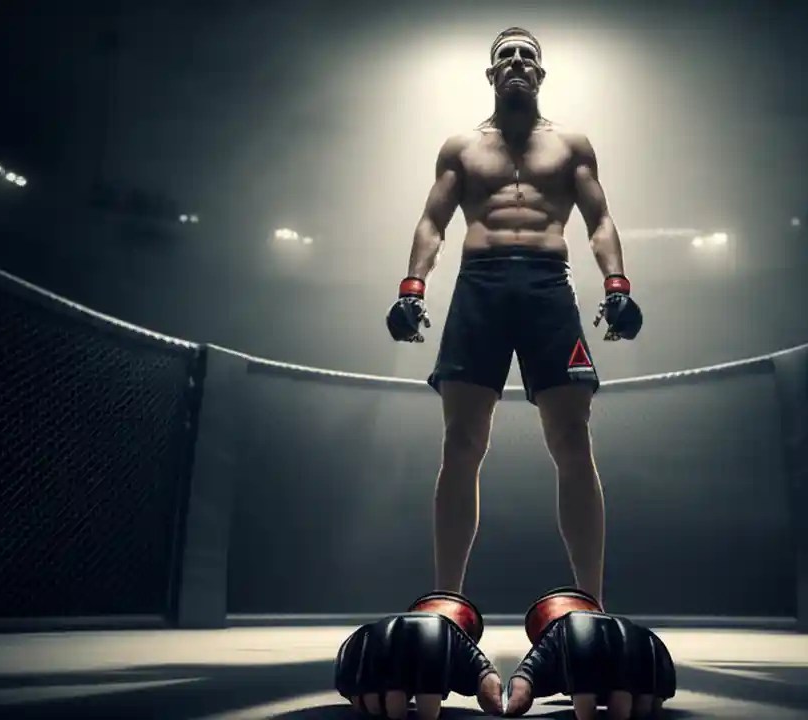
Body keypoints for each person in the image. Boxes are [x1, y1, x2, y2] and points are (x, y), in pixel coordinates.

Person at [337, 28, 669, 720]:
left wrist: (617, 283)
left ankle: (594, 609)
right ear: (491, 72)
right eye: (506, 54)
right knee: (461, 444)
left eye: (527, 54)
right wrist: (411, 288)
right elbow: (433, 220)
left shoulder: (571, 144)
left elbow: (599, 216)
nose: (517, 62)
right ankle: (445, 607)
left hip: (549, 287)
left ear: (540, 72)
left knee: (573, 443)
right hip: (479, 289)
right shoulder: (462, 147)